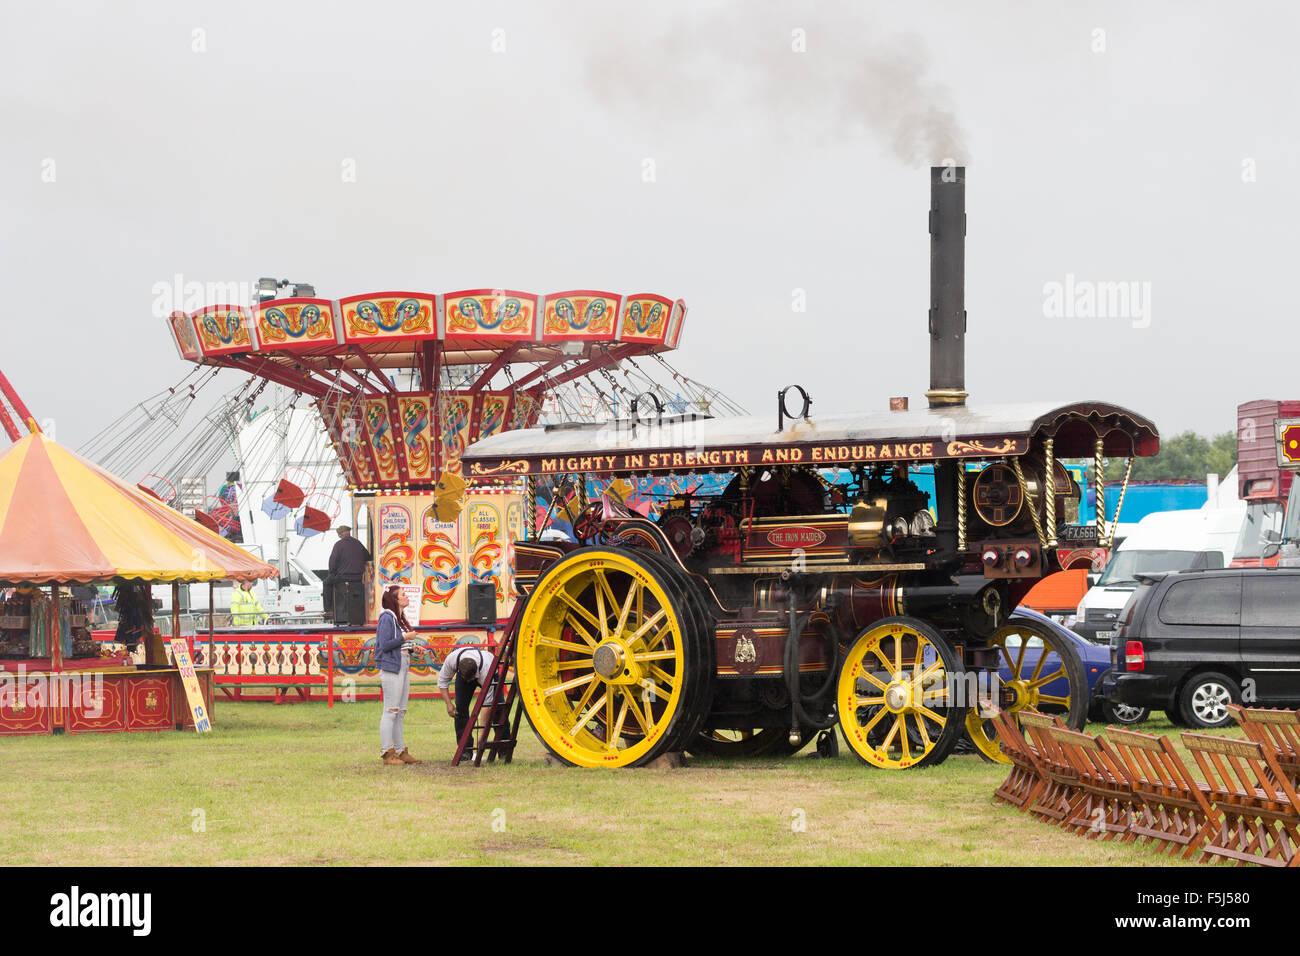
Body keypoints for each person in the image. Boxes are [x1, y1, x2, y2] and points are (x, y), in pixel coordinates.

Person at [376, 586, 421, 765]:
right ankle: (387, 751)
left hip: (401, 664)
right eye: (403, 594)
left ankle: (400, 750)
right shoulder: (387, 617)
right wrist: (405, 637)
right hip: (392, 667)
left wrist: (411, 647)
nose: (406, 596)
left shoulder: (398, 618)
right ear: (395, 600)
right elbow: (384, 644)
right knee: (391, 710)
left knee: (400, 711)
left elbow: (394, 645)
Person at [438, 640, 496, 759]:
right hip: (469, 671)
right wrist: (448, 704)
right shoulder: (452, 660)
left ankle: (503, 750)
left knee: (498, 709)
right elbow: (442, 682)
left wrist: (482, 737)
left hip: (489, 671)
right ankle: (465, 750)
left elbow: (487, 706)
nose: (469, 682)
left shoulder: (486, 669)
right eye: (466, 679)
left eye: (471, 679)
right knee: (461, 710)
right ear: (459, 671)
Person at [327, 525, 372, 626]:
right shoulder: (358, 543)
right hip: (358, 578)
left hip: (343, 578)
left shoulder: (338, 545)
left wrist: (332, 573)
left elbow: (332, 562)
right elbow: (368, 556)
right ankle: (356, 618)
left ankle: (329, 610)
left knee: (326, 583)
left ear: (340, 535)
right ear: (349, 533)